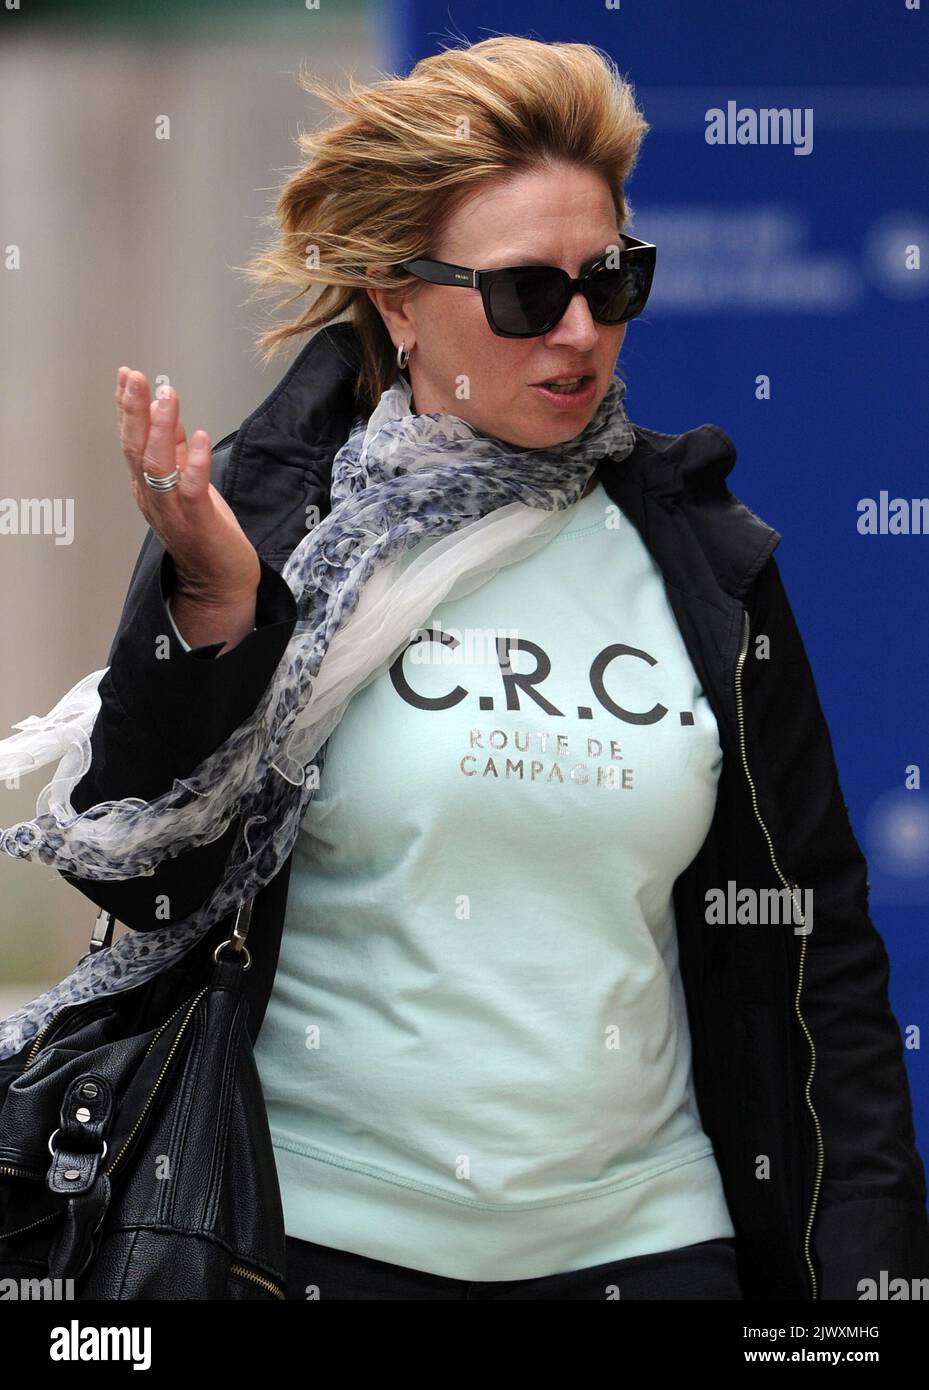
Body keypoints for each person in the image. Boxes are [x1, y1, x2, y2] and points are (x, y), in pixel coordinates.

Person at [2, 36, 927, 1303]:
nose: (580, 330)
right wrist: (211, 613)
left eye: (610, 280)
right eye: (523, 294)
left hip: (652, 1249)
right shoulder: (281, 531)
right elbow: (152, 872)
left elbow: (817, 952)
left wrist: (869, 1281)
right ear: (396, 298)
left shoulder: (705, 559)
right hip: (316, 1248)